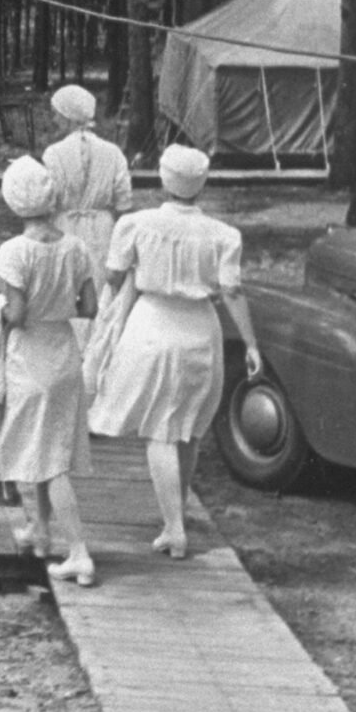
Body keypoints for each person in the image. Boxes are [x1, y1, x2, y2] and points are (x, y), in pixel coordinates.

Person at [88, 144, 261, 559]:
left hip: (153, 326)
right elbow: (232, 291)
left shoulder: (135, 224)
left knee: (160, 431)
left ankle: (174, 527)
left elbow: (113, 274)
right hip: (201, 328)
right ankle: (176, 512)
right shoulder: (222, 234)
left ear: (165, 180)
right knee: (187, 427)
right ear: (201, 184)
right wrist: (251, 343)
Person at [0, 157, 100, 586]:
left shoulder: (15, 252)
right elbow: (89, 307)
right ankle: (41, 529)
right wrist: (58, 307)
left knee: (50, 462)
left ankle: (79, 551)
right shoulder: (74, 246)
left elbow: (15, 314)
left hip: (31, 358)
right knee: (47, 449)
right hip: (64, 354)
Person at [42, 84, 133, 274]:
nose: (54, 119)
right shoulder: (113, 152)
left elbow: (48, 200)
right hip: (102, 229)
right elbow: (124, 201)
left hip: (64, 227)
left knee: (67, 282)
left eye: (57, 114)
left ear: (68, 117)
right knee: (99, 284)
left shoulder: (53, 154)